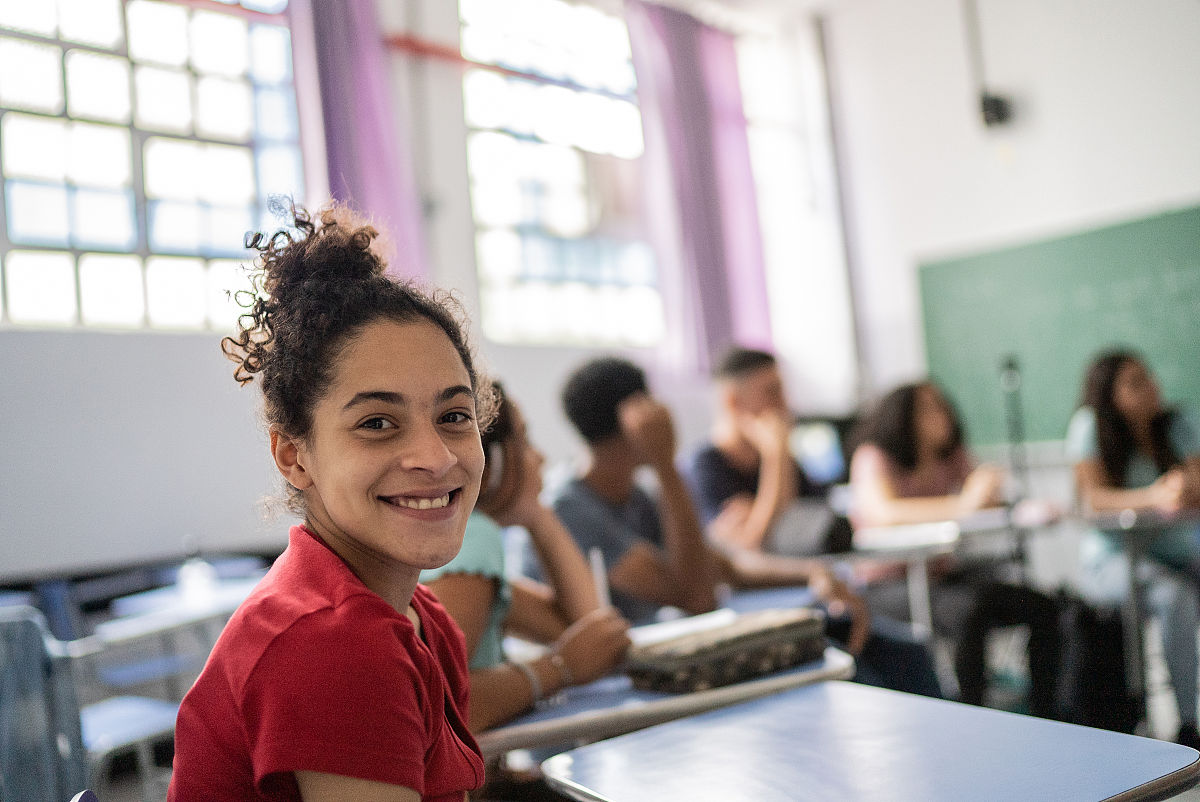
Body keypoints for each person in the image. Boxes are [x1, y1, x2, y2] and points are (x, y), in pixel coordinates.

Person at [169, 204, 489, 801]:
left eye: (453, 416)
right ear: (295, 456)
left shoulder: (424, 621)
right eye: (377, 423)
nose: (436, 456)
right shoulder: (332, 643)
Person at [551, 356, 942, 697]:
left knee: (903, 650)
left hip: (678, 658)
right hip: (638, 677)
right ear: (636, 416)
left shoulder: (638, 497)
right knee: (853, 672)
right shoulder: (572, 508)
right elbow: (696, 594)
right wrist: (667, 466)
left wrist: (812, 574)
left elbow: (728, 566)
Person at [421, 382, 630, 734]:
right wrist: (559, 668)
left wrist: (538, 516)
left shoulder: (473, 544)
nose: (541, 457)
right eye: (525, 440)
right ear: (494, 460)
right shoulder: (475, 535)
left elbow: (590, 634)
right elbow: (438, 705)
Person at [849, 380, 1061, 719]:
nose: (942, 416)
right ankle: (971, 716)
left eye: (942, 406)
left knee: (1042, 606)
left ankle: (1047, 714)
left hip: (943, 577)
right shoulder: (875, 457)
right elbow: (885, 514)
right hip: (886, 585)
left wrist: (993, 495)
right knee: (970, 612)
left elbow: (980, 500)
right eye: (928, 409)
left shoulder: (950, 456)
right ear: (903, 417)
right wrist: (963, 504)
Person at [1067, 348, 1200, 746]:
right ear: (1109, 395)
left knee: (1178, 586)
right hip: (1113, 560)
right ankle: (1189, 725)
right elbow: (1093, 500)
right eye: (1134, 383)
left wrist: (1185, 485)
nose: (1151, 387)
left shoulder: (1176, 424)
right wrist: (1155, 495)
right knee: (1175, 597)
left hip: (1176, 554)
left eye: (1149, 376)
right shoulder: (1090, 426)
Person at [687, 348, 851, 556]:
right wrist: (776, 455)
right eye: (772, 392)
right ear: (733, 402)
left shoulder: (785, 458)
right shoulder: (706, 466)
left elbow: (812, 520)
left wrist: (758, 511)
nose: (785, 404)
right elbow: (754, 543)